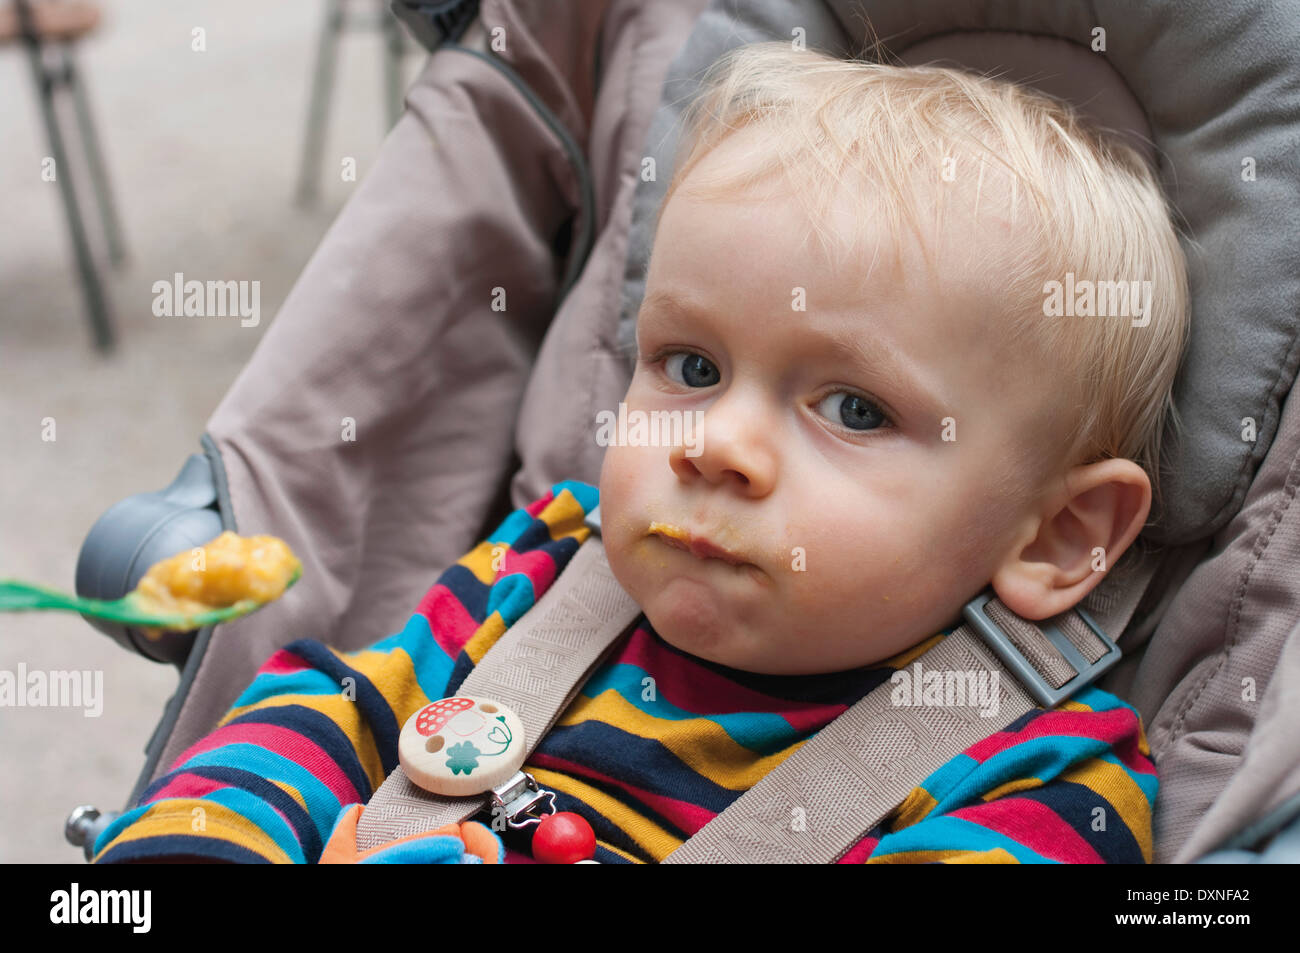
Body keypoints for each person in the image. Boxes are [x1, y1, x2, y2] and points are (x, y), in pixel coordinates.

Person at [93, 41, 1186, 864]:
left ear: (1056, 535)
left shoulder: (1034, 782)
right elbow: (331, 715)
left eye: (852, 408)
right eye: (690, 366)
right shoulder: (542, 570)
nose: (714, 445)